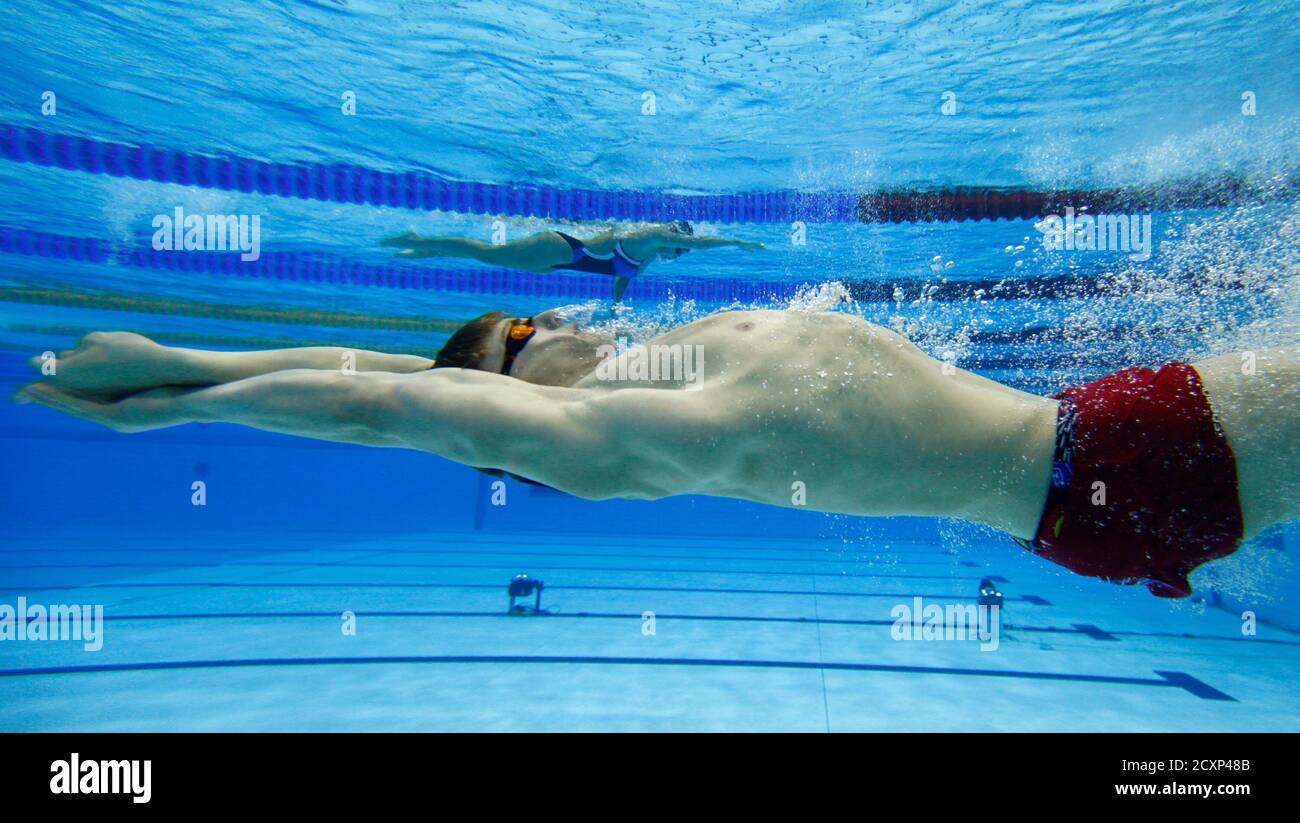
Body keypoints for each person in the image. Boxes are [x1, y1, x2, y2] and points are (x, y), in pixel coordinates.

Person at [15, 309, 1298, 599]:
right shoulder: (605, 429)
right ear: (511, 392)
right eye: (533, 330)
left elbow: (416, 381)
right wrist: (176, 390)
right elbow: (388, 405)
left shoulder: (651, 371)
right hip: (1112, 457)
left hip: (1094, 476)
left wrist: (195, 369)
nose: (565, 319)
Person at [379, 221, 763, 300]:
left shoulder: (645, 258)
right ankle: (417, 239)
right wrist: (738, 242)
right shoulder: (651, 237)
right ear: (677, 237)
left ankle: (428, 247)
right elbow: (705, 243)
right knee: (488, 253)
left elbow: (623, 276)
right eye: (681, 248)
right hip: (563, 249)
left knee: (489, 259)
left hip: (561, 261)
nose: (677, 254)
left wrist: (615, 307)